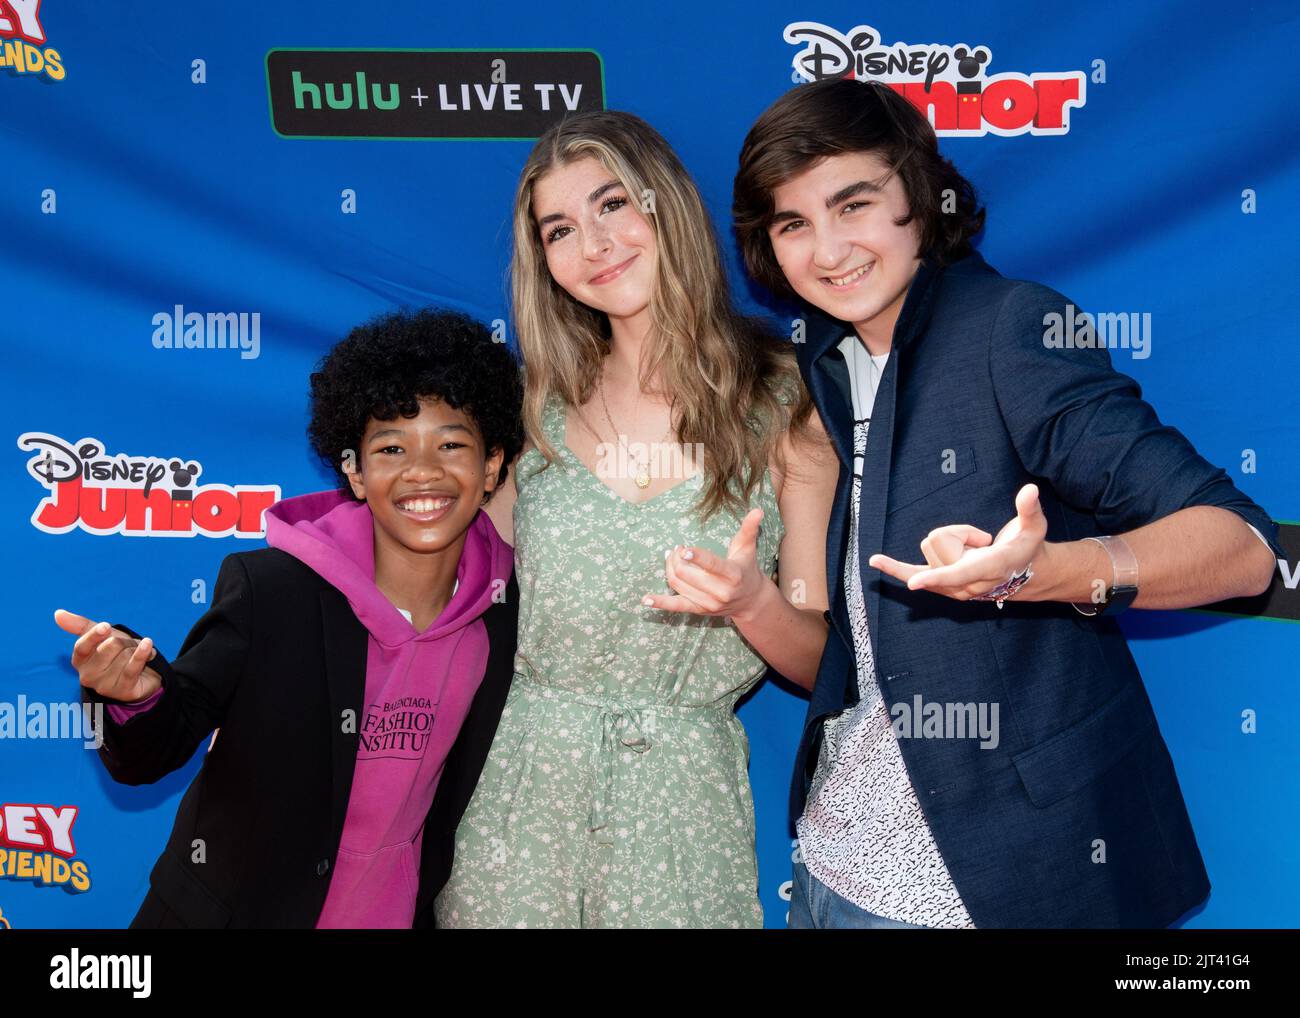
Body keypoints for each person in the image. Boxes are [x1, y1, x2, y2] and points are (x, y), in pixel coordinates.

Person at [731, 77, 1280, 929]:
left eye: (855, 204)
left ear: (920, 192)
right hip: (830, 867)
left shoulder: (1008, 329)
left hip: (991, 886)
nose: (829, 249)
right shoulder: (830, 376)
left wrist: (1057, 569)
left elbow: (1244, 545)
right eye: (793, 223)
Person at [435, 110, 839, 928]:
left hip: (681, 814)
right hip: (517, 799)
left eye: (612, 205)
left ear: (667, 207)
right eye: (559, 230)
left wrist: (751, 605)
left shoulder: (789, 403)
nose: (593, 245)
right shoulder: (530, 410)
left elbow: (821, 664)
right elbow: (444, 600)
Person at [53, 308, 524, 928]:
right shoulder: (273, 590)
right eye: (390, 448)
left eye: (452, 444)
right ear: (355, 472)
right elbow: (155, 750)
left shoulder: (506, 610)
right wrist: (131, 697)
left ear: (492, 466)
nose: (423, 471)